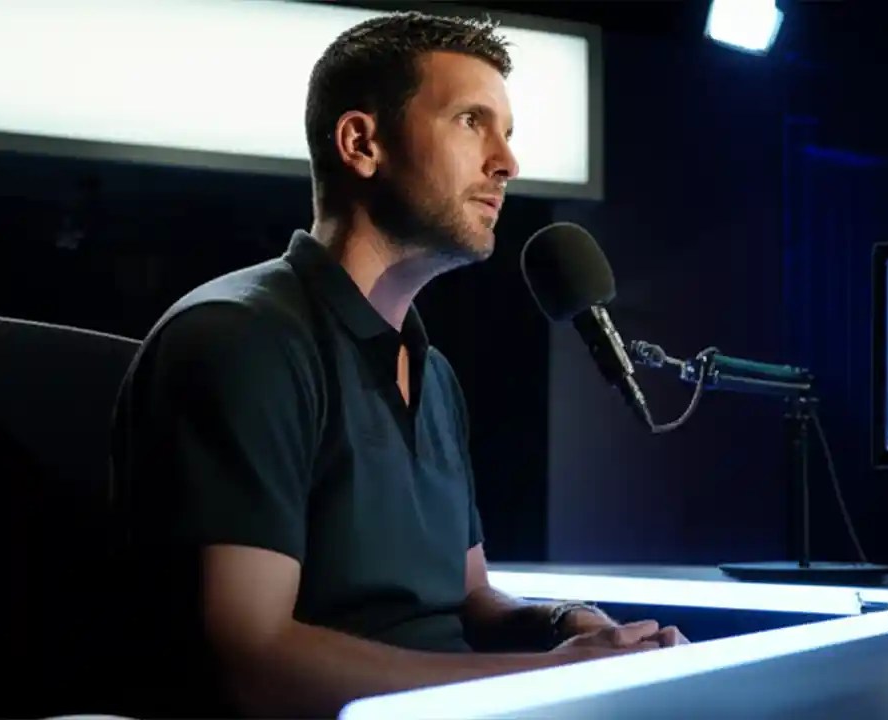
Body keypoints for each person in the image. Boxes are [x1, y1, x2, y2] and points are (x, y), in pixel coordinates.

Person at [109, 11, 685, 719]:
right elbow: (250, 663)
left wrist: (567, 626)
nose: (507, 163)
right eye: (473, 122)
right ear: (361, 143)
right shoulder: (241, 340)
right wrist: (549, 683)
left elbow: (469, 597)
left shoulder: (433, 373)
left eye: (508, 132)